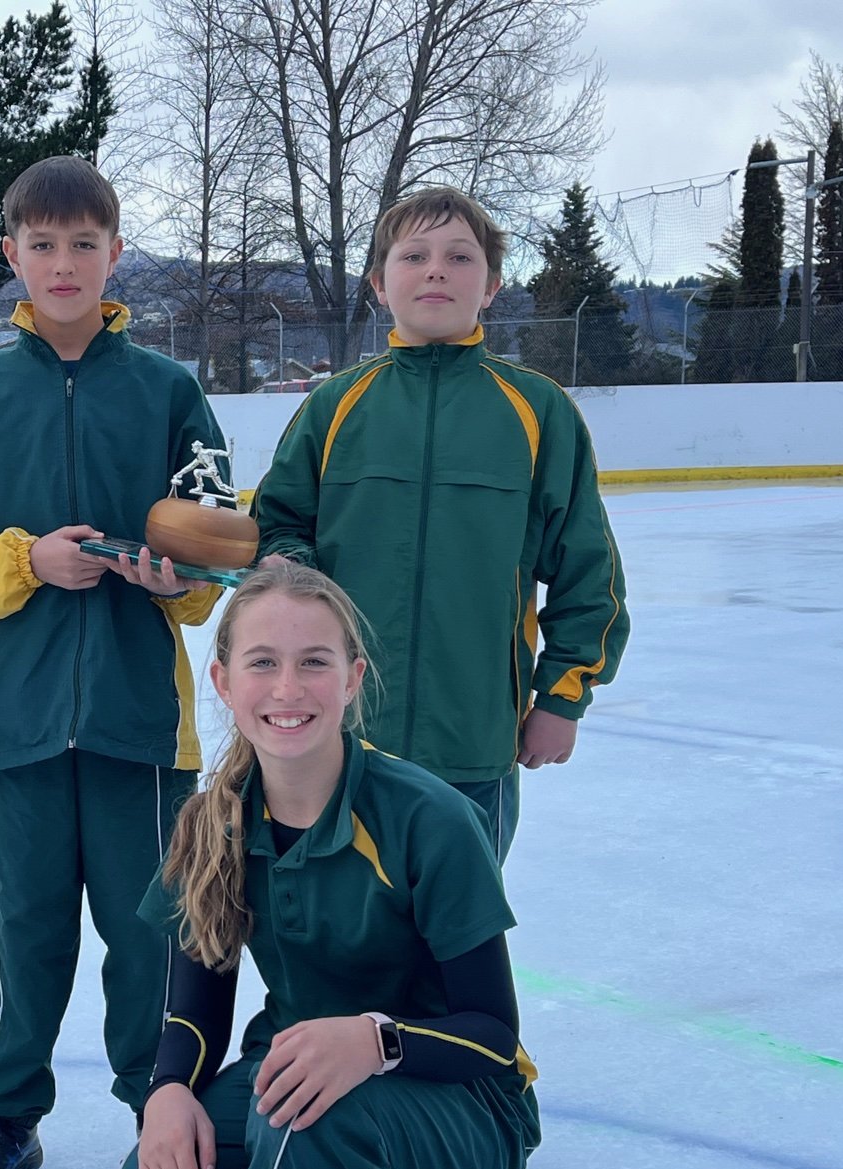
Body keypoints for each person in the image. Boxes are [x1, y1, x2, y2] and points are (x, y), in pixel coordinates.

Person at [105, 560, 541, 1169]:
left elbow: (493, 1036)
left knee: (313, 1116)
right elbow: (197, 1008)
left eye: (314, 662)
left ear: (353, 679)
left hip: (460, 1099)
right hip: (301, 1081)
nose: (287, 687)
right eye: (263, 662)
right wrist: (167, 1092)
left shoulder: (429, 819)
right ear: (223, 682)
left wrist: (376, 1041)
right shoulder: (213, 822)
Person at [0, 156, 230, 1169]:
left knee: (151, 933)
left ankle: (160, 1115)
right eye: (41, 244)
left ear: (114, 253)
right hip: (19, 725)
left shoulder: (171, 392)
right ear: (11, 255)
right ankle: (9, 1116)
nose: (63, 263)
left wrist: (178, 578)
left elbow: (218, 551)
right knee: (25, 930)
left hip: (143, 728)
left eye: (83, 243)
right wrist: (24, 562)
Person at [255, 185, 629, 861]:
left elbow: (588, 573)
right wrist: (289, 564)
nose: (436, 271)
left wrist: (561, 698)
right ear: (379, 283)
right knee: (328, 913)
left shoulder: (538, 411)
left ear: (491, 285)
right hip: (337, 734)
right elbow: (277, 523)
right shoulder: (335, 407)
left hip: (474, 741)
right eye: (414, 256)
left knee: (459, 918)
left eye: (459, 257)